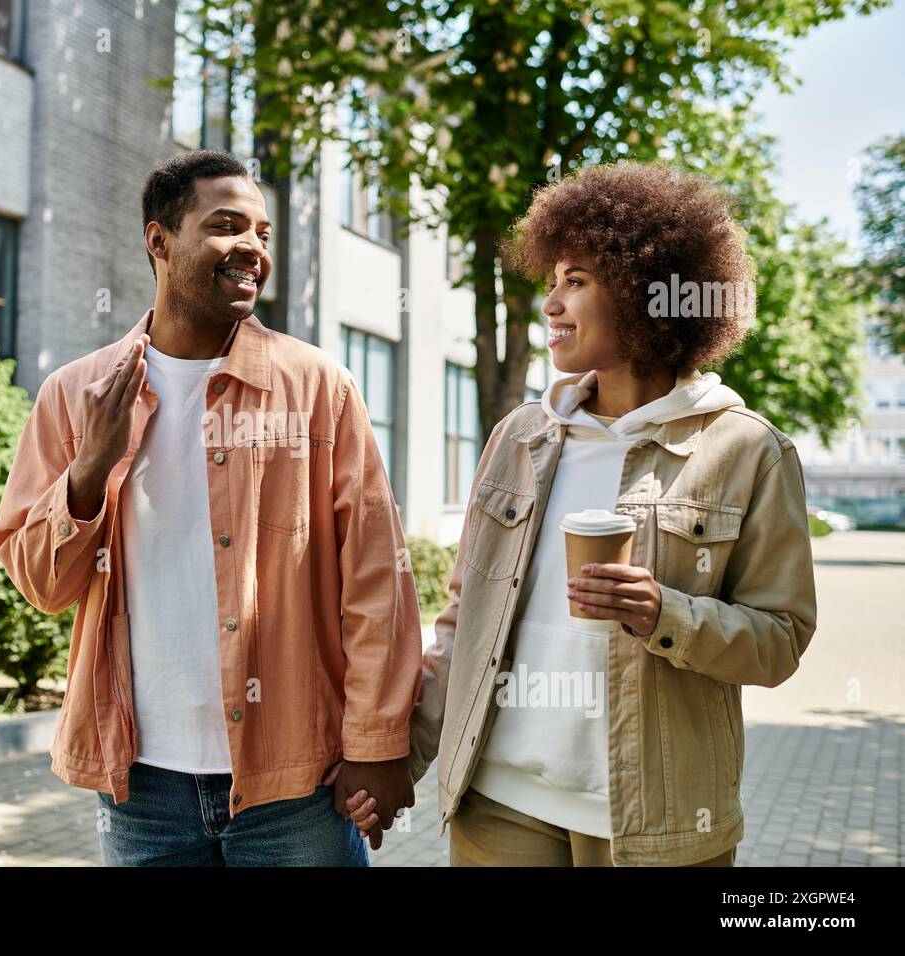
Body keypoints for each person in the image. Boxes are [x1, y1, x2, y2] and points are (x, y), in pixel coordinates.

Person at [345, 162, 817, 866]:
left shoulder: (749, 450)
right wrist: (399, 759)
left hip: (651, 825)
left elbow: (779, 639)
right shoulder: (520, 437)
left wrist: (666, 614)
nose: (551, 304)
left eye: (577, 281)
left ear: (646, 294)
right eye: (551, 280)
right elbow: (465, 619)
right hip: (498, 805)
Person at [0, 148, 421, 866]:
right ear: (160, 242)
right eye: (228, 226)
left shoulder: (320, 389)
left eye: (263, 233)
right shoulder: (76, 396)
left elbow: (377, 581)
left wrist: (377, 744)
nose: (253, 248)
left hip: (297, 780)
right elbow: (41, 583)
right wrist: (89, 470)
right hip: (142, 788)